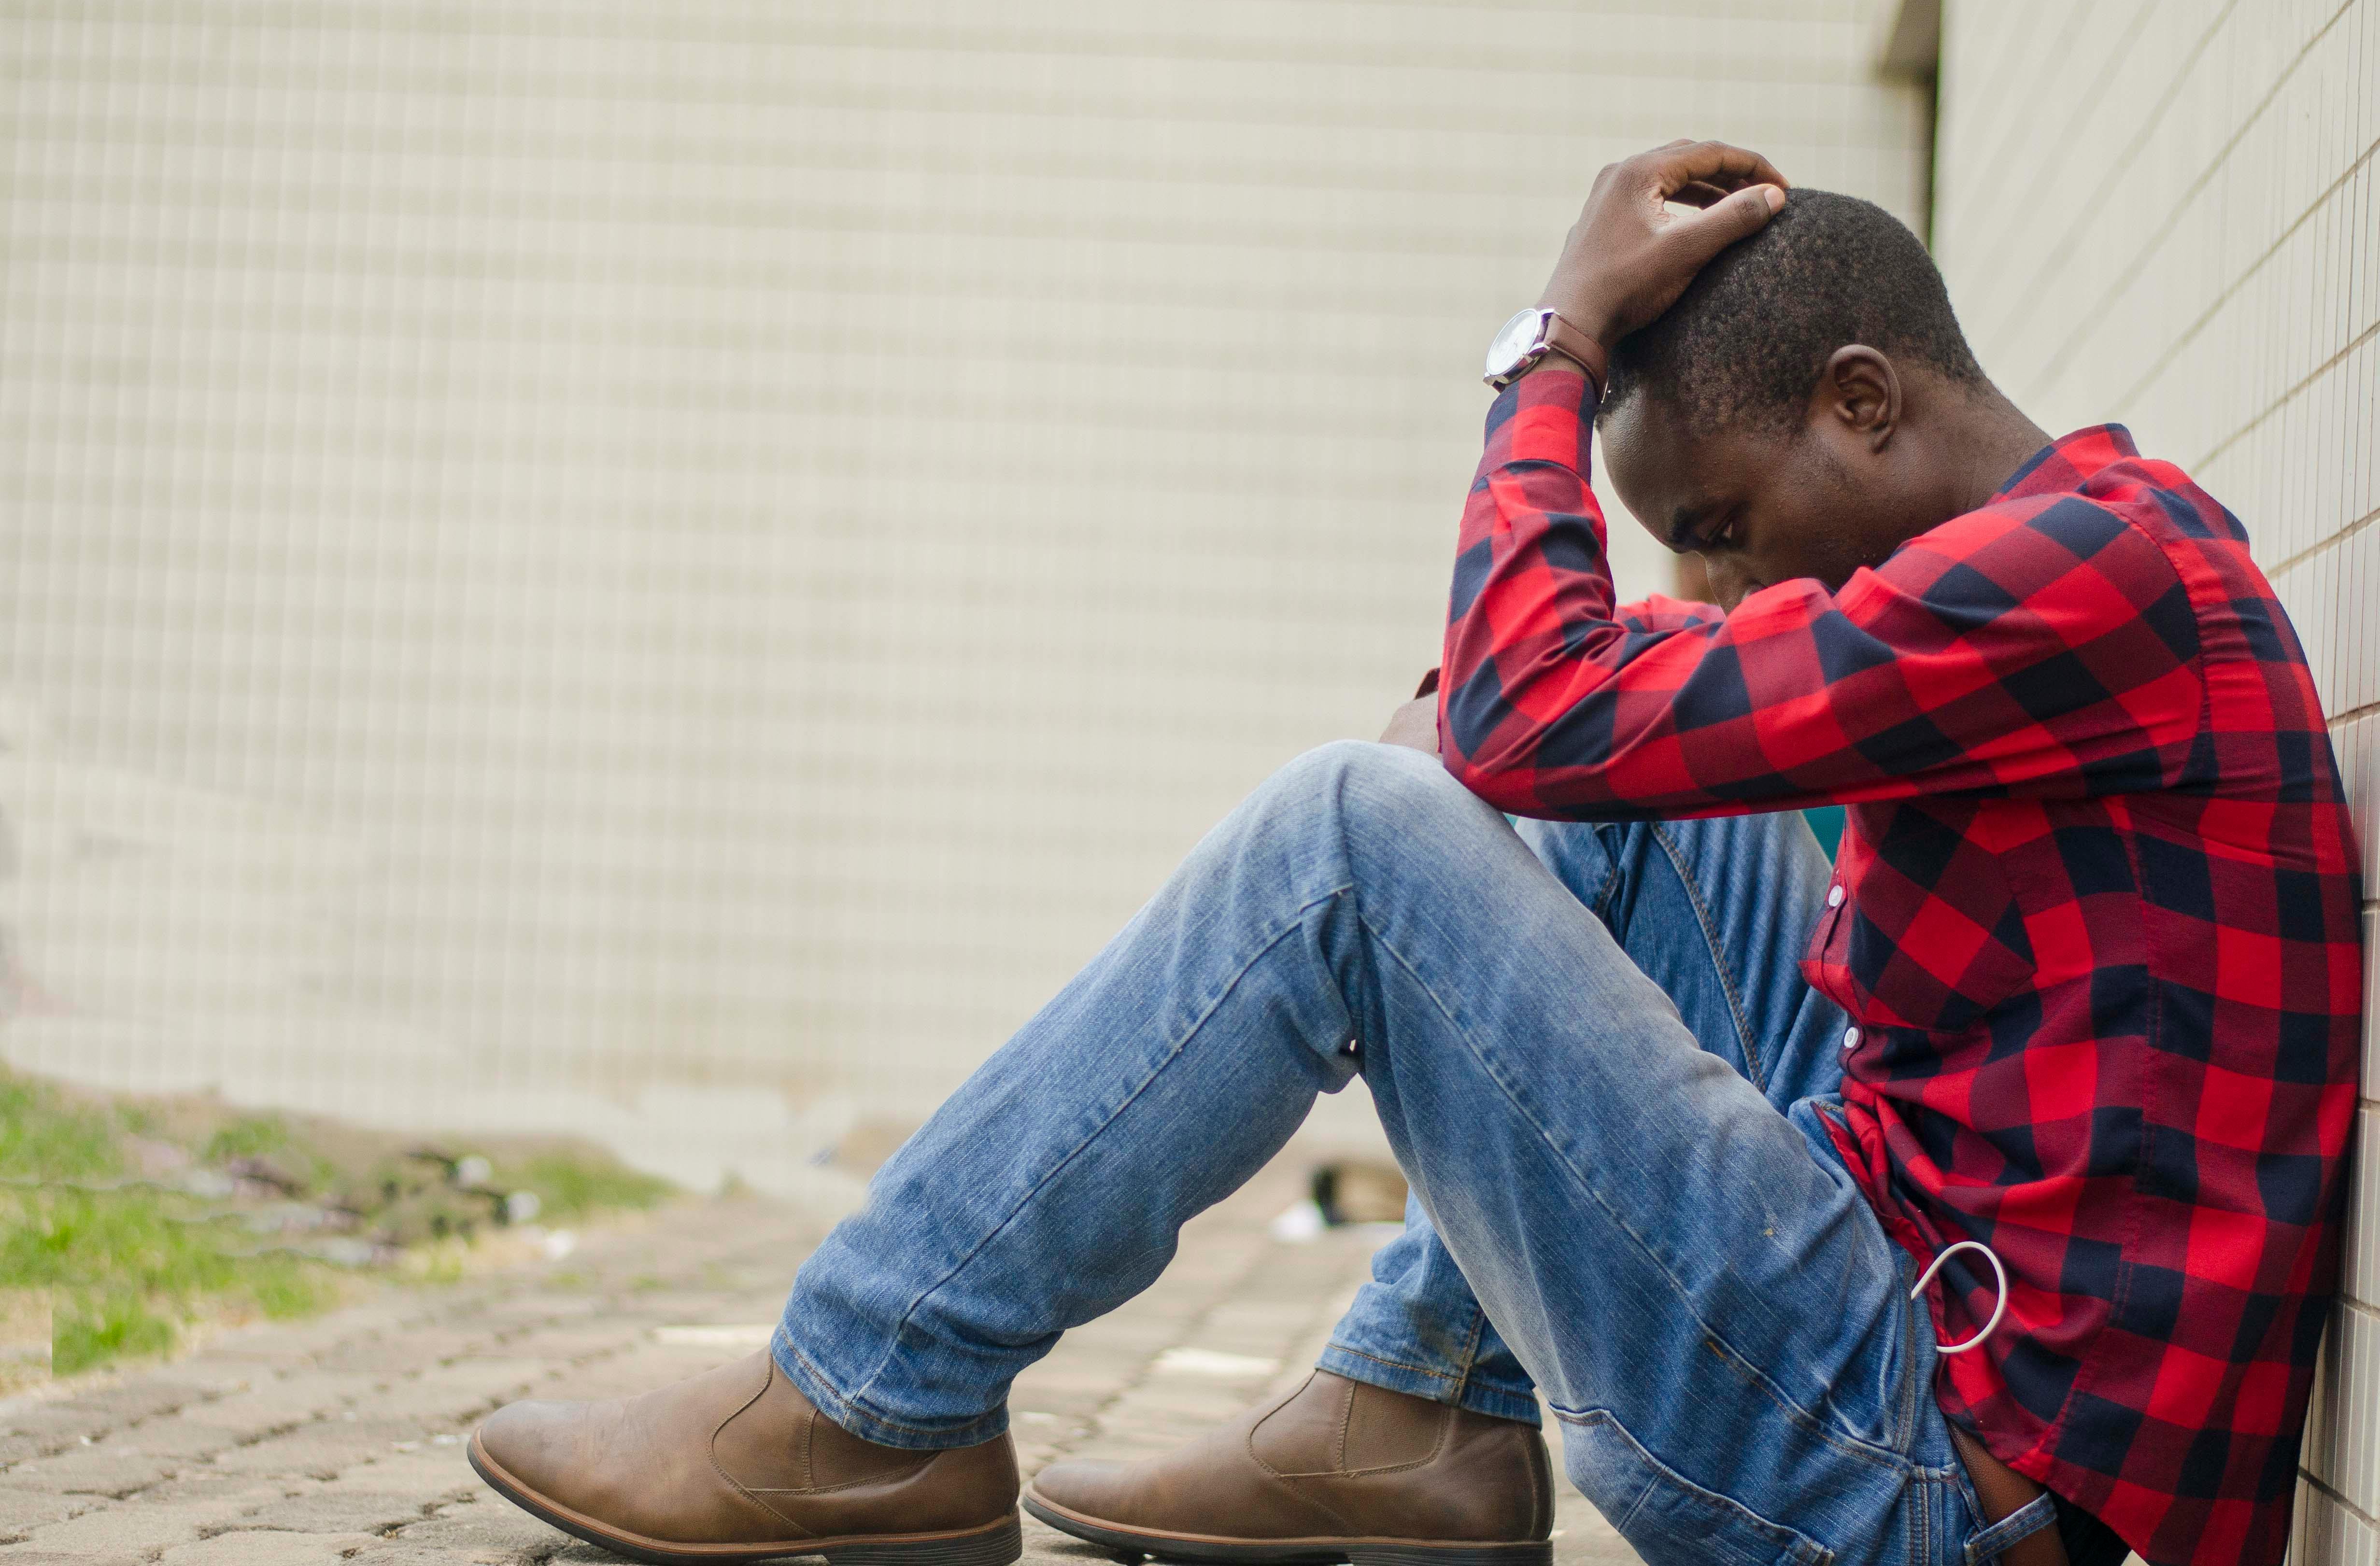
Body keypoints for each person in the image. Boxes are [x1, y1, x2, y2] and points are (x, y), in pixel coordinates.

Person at [466, 143, 2362, 1566]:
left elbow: (1540, 710)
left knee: (1349, 832)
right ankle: (1411, 1415)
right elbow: (1546, 724)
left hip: (1928, 1482)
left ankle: (868, 1400)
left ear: (1856, 399)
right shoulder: (2087, 550)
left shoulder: (2079, 582)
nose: (1713, 578)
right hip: (1923, 1300)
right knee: (1523, 794)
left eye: (1718, 520)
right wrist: (1498, 746)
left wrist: (1548, 351)